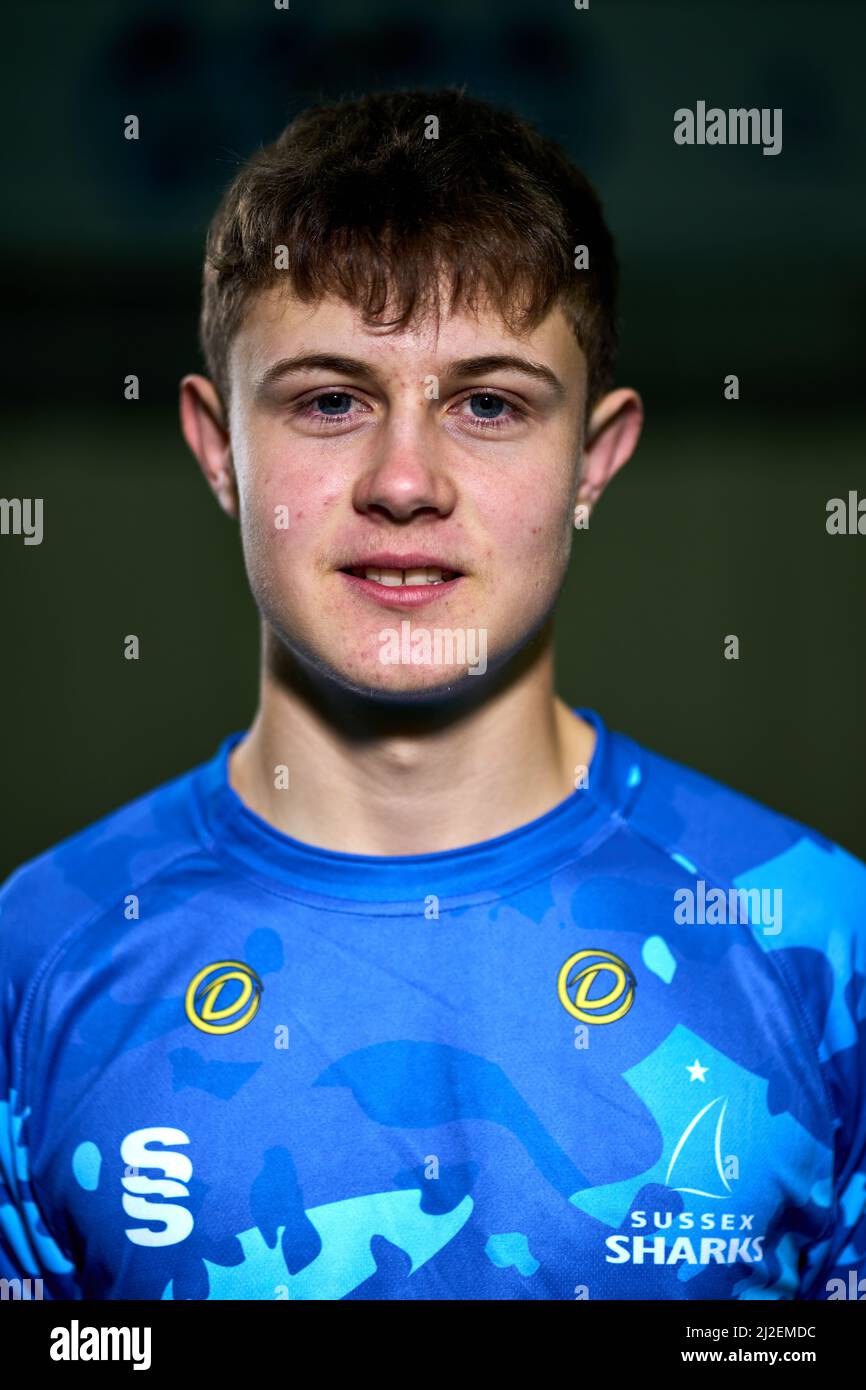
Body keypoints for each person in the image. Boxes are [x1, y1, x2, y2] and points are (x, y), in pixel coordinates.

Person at [1, 88, 863, 1302]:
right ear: (216, 451)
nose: (404, 480)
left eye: (489, 404)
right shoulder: (35, 956)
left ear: (593, 461)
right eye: (329, 400)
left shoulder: (819, 941)